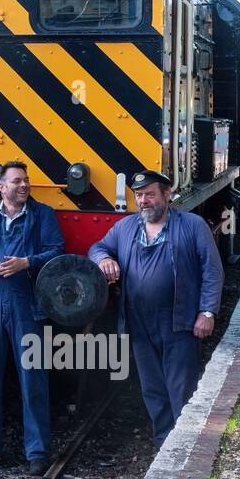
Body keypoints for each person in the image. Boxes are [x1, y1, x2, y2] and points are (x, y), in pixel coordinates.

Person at [87, 170, 223, 447]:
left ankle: (186, 444)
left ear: (166, 195)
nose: (144, 201)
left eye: (150, 194)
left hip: (179, 319)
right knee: (152, 387)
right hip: (138, 321)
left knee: (180, 386)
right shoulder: (126, 228)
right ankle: (164, 441)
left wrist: (207, 311)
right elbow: (97, 247)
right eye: (139, 195)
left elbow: (212, 270)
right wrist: (103, 259)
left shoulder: (193, 225)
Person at [0, 160, 65, 476]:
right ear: (1, 187)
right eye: (17, 181)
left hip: (26, 306)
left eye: (25, 180)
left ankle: (37, 453)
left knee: (33, 379)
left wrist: (26, 262)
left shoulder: (42, 214)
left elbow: (57, 251)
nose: (23, 185)